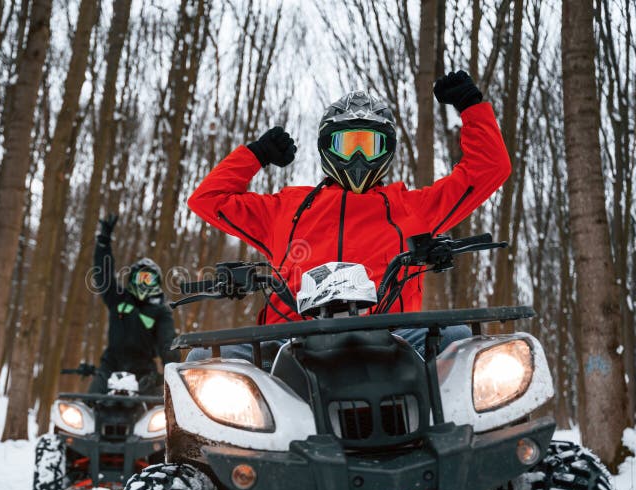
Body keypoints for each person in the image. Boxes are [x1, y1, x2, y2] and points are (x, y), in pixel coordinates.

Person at [186, 71, 511, 360]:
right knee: (203, 362)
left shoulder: (412, 207)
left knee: (464, 345)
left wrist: (471, 108)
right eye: (346, 144)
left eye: (370, 145)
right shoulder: (286, 208)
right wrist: (255, 155)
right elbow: (209, 199)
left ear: (387, 151)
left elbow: (488, 170)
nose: (358, 156)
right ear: (328, 148)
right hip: (289, 340)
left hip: (394, 338)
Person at [89, 214, 180, 393]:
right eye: (140, 278)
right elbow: (103, 277)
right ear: (131, 280)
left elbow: (167, 343)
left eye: (149, 280)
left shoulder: (161, 312)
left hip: (144, 371)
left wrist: (172, 371)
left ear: (157, 283)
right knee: (86, 408)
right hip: (110, 367)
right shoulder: (118, 298)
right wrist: (103, 243)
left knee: (158, 414)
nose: (143, 284)